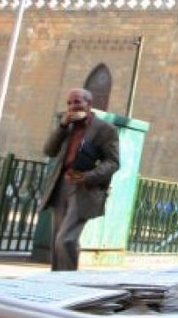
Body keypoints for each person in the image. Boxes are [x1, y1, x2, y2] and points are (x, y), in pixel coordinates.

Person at [36, 88, 120, 271]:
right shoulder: (66, 125)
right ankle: (56, 280)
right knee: (57, 238)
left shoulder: (105, 130)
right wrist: (62, 126)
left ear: (89, 104)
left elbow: (113, 162)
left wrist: (89, 176)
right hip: (61, 185)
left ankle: (68, 281)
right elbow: (49, 151)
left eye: (77, 102)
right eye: (69, 103)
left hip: (85, 187)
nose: (72, 107)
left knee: (66, 239)